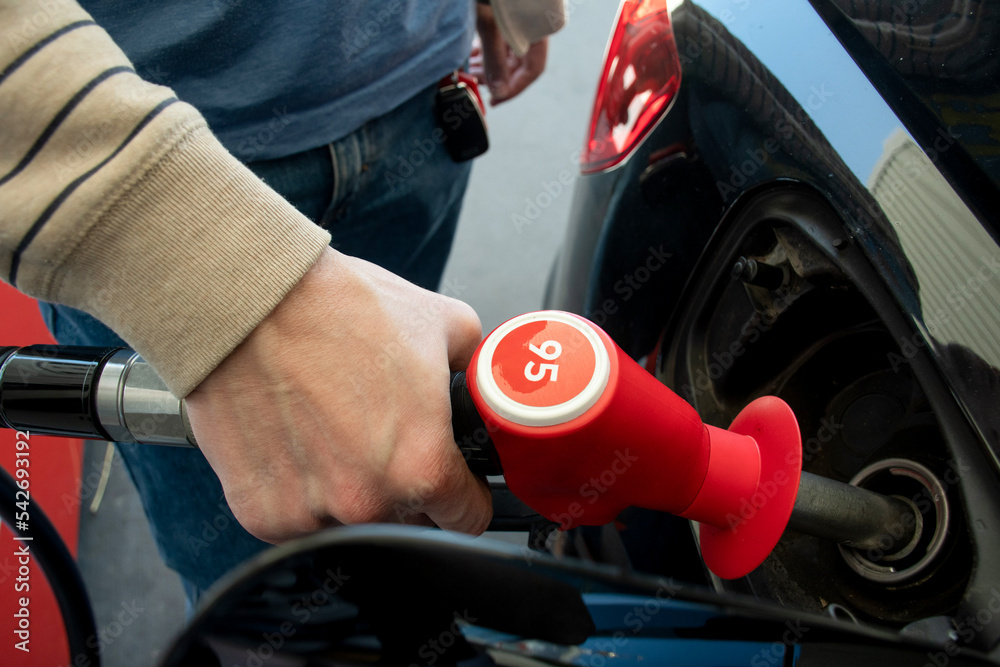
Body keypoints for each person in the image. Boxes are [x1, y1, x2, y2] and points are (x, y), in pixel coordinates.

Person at [0, 0, 564, 602]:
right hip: (164, 151)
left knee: (394, 491)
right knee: (256, 592)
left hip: (419, 97)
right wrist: (187, 254)